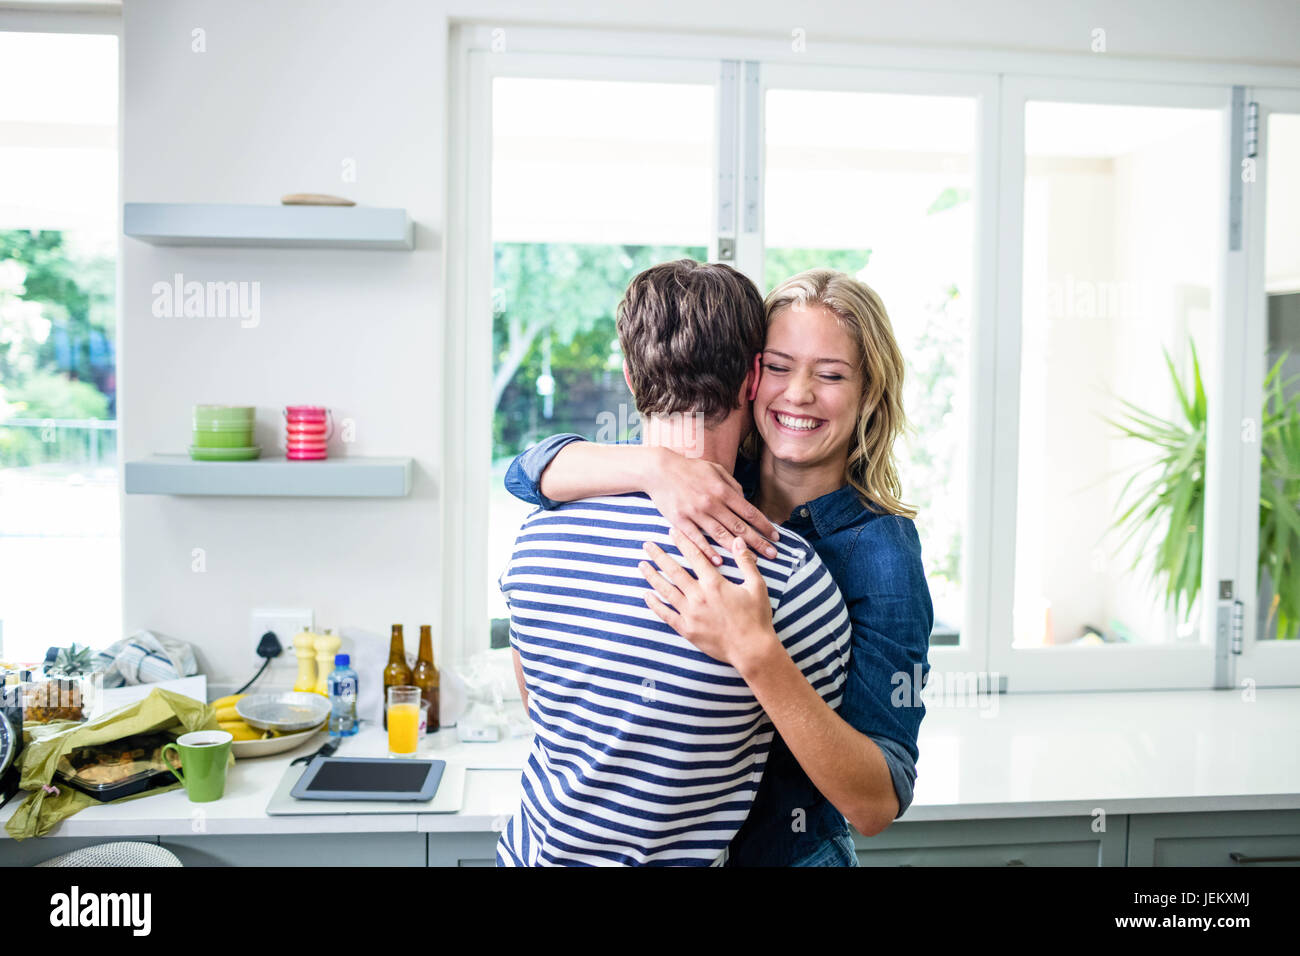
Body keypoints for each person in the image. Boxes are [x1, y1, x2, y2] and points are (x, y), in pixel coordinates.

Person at [505, 267, 934, 866]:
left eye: (831, 375)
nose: (799, 393)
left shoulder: (882, 552)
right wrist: (654, 467)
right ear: (751, 376)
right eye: (779, 366)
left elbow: (877, 804)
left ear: (869, 393)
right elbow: (525, 473)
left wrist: (755, 653)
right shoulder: (697, 492)